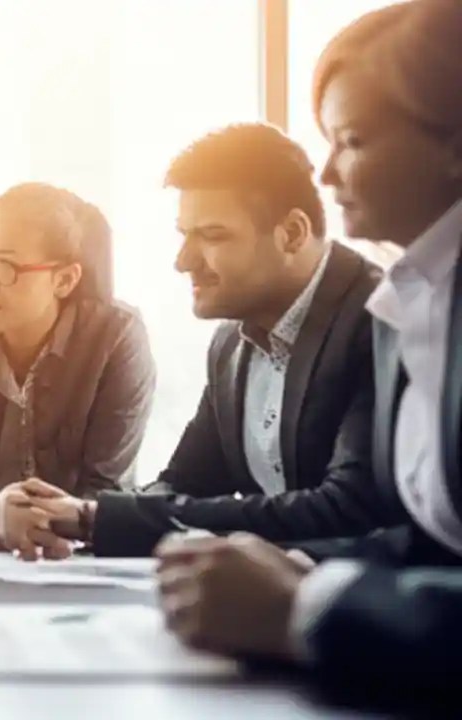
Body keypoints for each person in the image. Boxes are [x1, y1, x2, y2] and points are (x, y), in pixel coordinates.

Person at [156, 0, 462, 695]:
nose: (325, 175)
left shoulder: (375, 308)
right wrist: (289, 569)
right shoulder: (409, 306)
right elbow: (422, 540)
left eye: (351, 140)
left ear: (453, 143)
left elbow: (357, 508)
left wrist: (307, 605)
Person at [16, 124, 398, 558]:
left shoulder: (380, 319)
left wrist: (93, 517)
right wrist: (54, 512)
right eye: (184, 234)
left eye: (212, 236)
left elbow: (346, 509)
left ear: (292, 233)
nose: (183, 262)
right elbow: (184, 485)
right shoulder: (230, 345)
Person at [0, 183, 155, 558]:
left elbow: (103, 490)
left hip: (94, 555)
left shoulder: (116, 337)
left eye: (6, 266)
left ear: (64, 280)